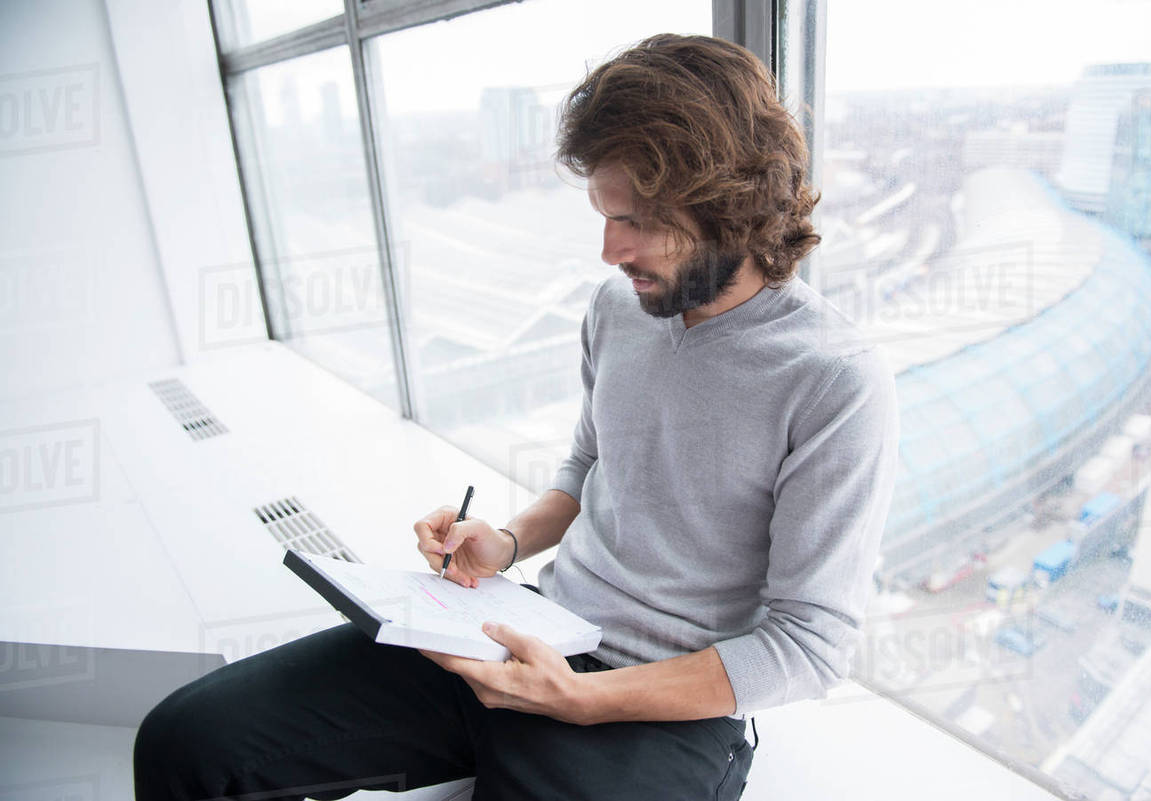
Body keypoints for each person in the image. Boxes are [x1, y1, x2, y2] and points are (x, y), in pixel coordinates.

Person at [133, 33, 898, 801]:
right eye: (604, 215)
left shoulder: (833, 379)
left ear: (732, 205)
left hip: (664, 706)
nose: (609, 250)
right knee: (185, 745)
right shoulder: (619, 308)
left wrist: (577, 698)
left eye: (635, 221)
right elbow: (587, 467)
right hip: (530, 631)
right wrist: (505, 542)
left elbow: (807, 645)